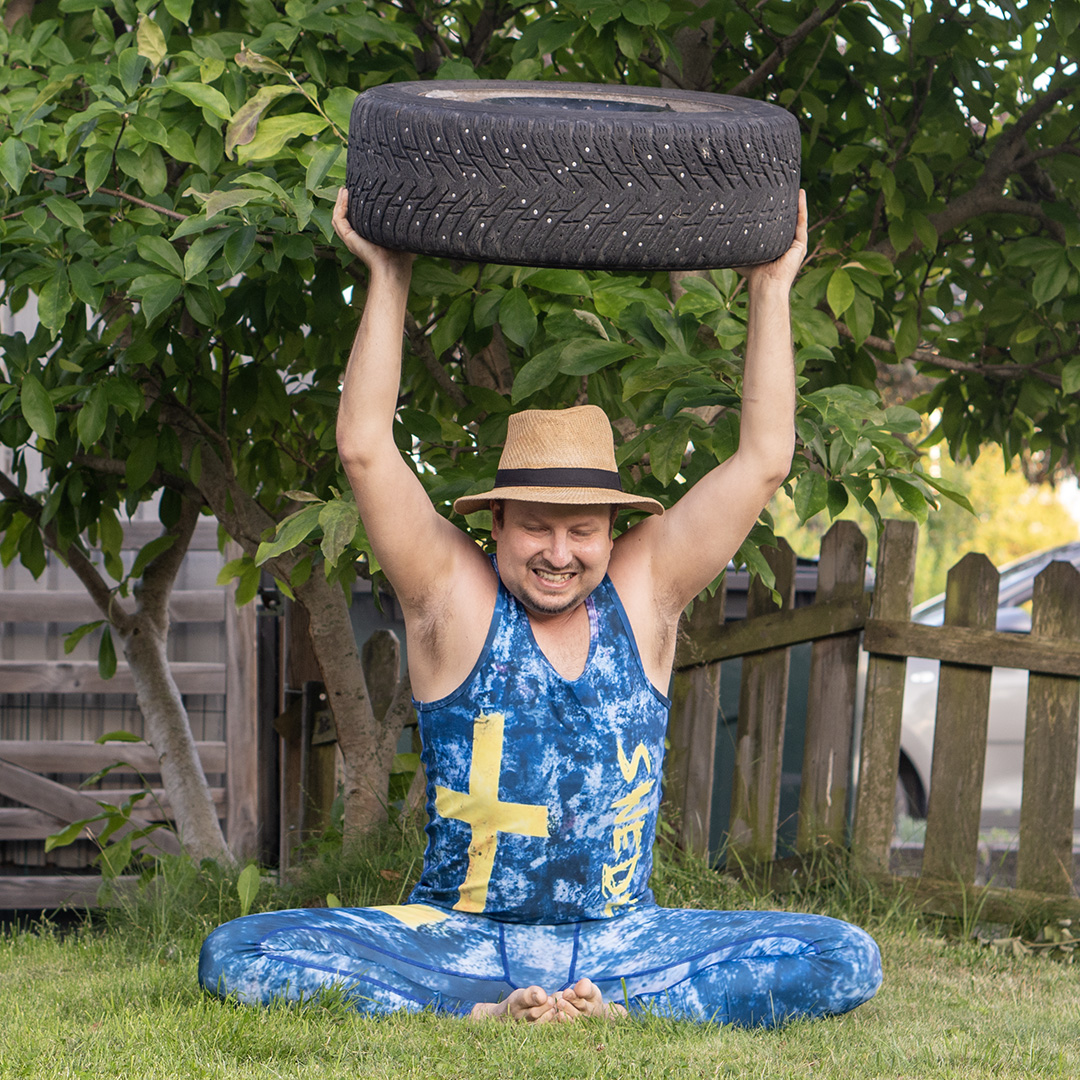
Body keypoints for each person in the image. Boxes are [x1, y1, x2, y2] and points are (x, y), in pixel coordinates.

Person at [198, 186, 882, 1025]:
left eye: (583, 530)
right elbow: (366, 450)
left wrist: (772, 288)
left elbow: (765, 459)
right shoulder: (453, 600)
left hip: (624, 935)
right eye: (537, 527)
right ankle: (480, 1010)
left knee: (845, 955)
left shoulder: (646, 593)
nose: (561, 552)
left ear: (613, 531)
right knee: (237, 953)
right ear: (494, 524)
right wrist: (389, 270)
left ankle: (617, 1007)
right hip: (462, 935)